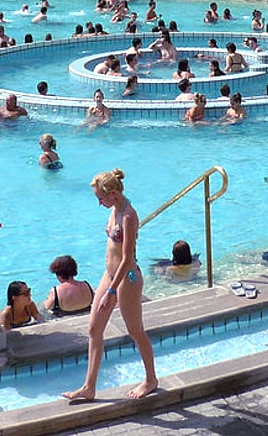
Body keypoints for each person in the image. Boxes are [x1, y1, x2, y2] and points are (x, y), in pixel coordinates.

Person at [62, 169, 157, 403]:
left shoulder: (129, 216)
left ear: (113, 193)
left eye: (100, 198)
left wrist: (112, 291)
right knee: (94, 329)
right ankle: (89, 387)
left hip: (127, 279)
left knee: (135, 331)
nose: (99, 203)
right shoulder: (114, 210)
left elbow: (126, 259)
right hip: (110, 275)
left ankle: (151, 379)